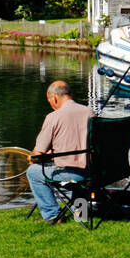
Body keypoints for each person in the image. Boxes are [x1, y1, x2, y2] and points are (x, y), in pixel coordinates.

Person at [26, 81, 93, 223]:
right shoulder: (89, 112)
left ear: (54, 98)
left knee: (33, 172)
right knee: (79, 168)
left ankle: (52, 215)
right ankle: (81, 213)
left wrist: (33, 158)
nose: (50, 104)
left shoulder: (53, 117)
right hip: (93, 172)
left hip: (72, 175)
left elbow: (37, 154)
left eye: (49, 101)